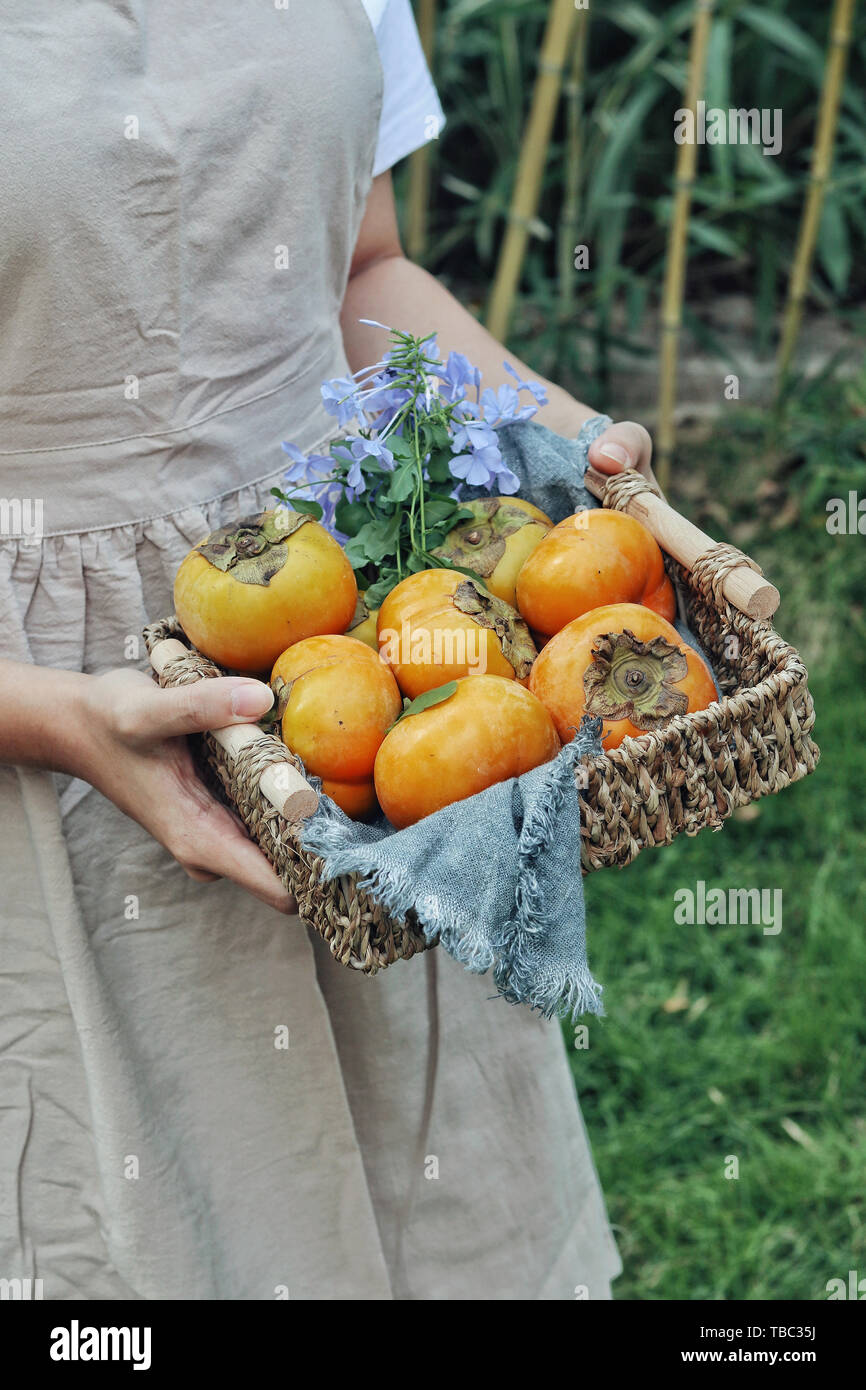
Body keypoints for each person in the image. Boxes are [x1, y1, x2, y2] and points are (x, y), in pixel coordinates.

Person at [0, 0, 653, 1299]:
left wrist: (567, 438)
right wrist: (55, 715)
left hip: (355, 657)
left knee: (431, 1212)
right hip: (46, 721)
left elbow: (360, 270)